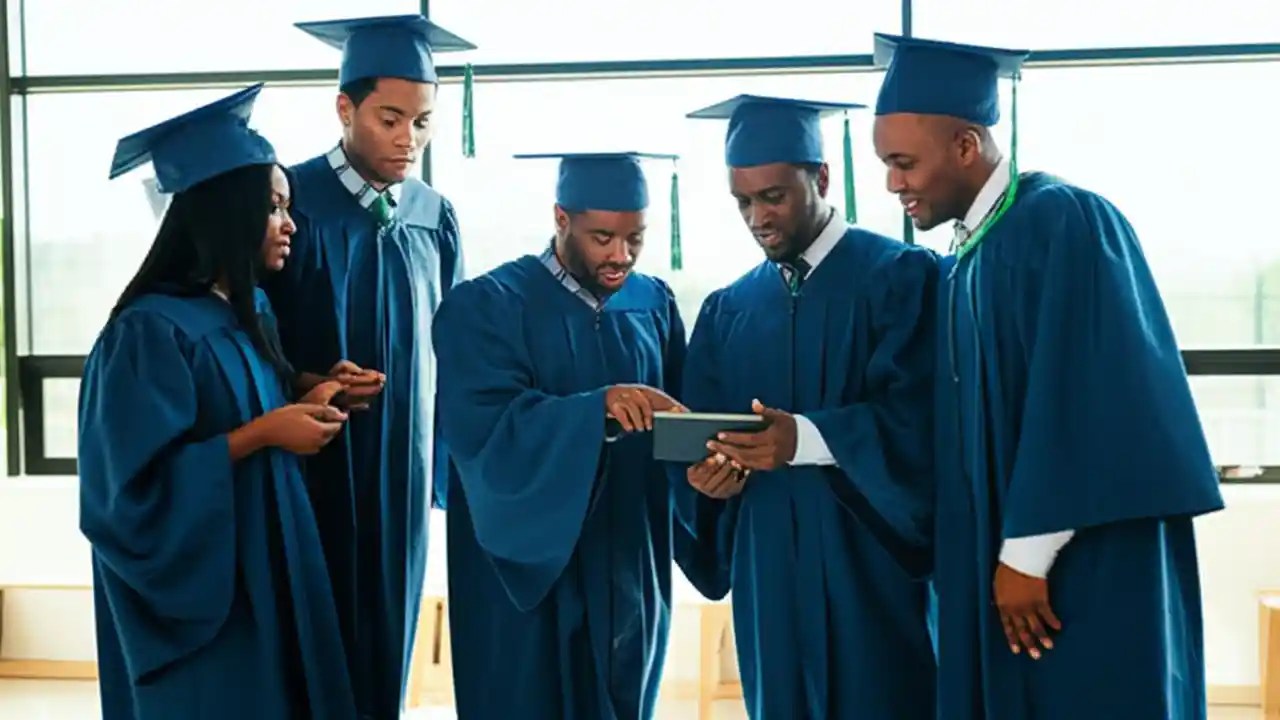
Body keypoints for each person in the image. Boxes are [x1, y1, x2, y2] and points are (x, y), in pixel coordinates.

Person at [870, 32, 1226, 719]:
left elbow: (1096, 394)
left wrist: (1028, 553)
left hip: (1077, 561)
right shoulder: (968, 256)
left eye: (904, 162)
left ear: (967, 146)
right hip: (1003, 561)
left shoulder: (1065, 220)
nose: (893, 184)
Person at [78, 84, 359, 719]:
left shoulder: (248, 310)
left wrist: (309, 391)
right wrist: (262, 435)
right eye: (273, 209)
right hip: (212, 592)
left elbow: (244, 403)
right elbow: (125, 496)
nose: (290, 224)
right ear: (224, 215)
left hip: (273, 562)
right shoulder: (148, 332)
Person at [678, 94, 939, 719]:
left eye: (773, 196)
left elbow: (925, 419)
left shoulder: (903, 278)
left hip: (870, 567)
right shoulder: (729, 309)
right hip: (770, 569)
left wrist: (810, 439)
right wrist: (706, 484)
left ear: (820, 178)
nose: (757, 217)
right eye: (743, 201)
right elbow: (698, 440)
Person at [433, 151, 708, 719]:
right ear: (561, 218)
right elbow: (482, 430)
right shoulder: (487, 305)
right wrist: (596, 410)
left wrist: (713, 465)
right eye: (602, 236)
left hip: (630, 559)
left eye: (636, 237)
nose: (620, 255)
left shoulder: (652, 303)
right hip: (530, 574)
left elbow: (678, 425)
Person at [261, 14, 474, 718]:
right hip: (310, 459)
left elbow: (457, 342)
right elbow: (249, 329)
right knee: (313, 638)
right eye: (390, 118)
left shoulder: (432, 214)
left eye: (423, 122)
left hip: (404, 468)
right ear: (345, 108)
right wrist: (302, 378)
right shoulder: (291, 201)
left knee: (390, 624)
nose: (408, 138)